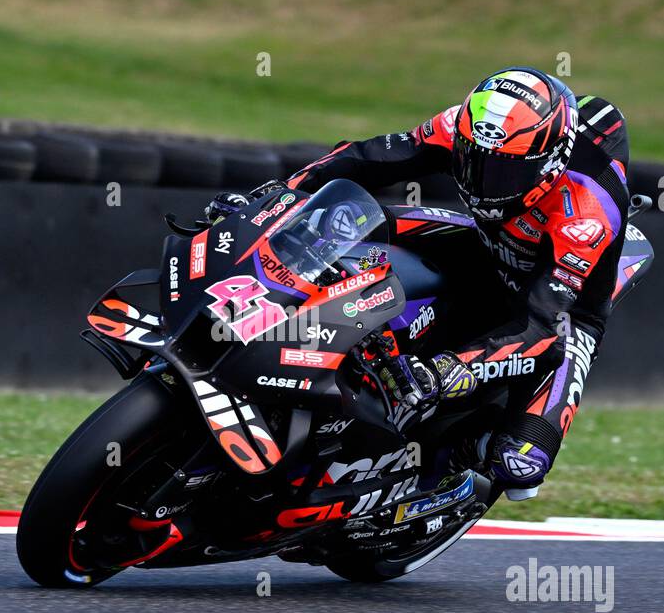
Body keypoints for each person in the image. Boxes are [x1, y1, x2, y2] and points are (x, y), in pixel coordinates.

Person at [213, 67, 630, 500]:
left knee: (521, 461)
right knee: (342, 221)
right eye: (473, 159)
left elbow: (542, 326)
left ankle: (458, 459)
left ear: (548, 164)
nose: (481, 178)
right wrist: (277, 196)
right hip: (484, 245)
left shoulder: (586, 212)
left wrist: (447, 370)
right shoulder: (467, 126)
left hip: (561, 313)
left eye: (502, 171)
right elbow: (369, 159)